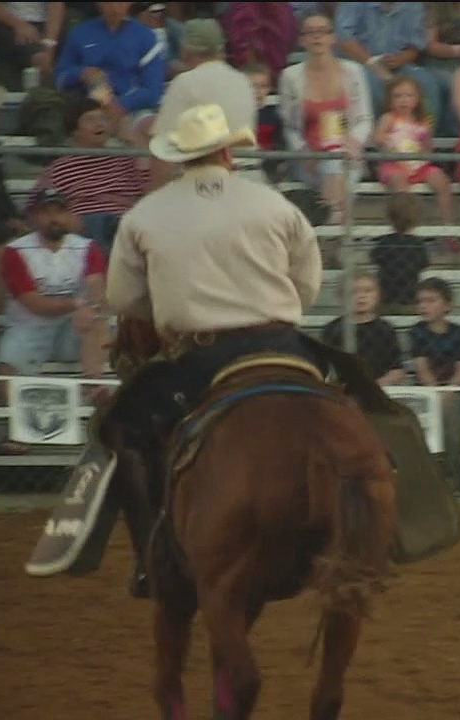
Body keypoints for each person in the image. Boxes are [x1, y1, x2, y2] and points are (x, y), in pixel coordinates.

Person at [100, 103, 325, 596]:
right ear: (228, 151)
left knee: (123, 430)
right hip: (283, 345)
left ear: (180, 158)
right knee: (350, 405)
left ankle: (153, 560)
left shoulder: (145, 214)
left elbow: (123, 299)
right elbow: (307, 284)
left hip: (200, 357)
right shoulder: (275, 204)